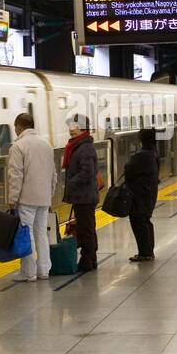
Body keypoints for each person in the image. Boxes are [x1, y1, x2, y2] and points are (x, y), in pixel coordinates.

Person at [6, 112, 57, 282]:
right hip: (44, 198)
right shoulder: (46, 145)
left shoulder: (18, 146)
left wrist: (12, 199)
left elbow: (16, 176)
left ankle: (28, 272)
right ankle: (44, 270)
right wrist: (50, 195)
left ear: (19, 126)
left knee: (26, 235)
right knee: (41, 234)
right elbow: (53, 174)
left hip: (26, 199)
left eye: (15, 127)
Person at [62, 115, 99, 272]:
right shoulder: (78, 145)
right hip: (82, 195)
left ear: (82, 128)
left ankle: (87, 259)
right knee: (86, 227)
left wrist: (71, 182)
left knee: (86, 229)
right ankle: (90, 258)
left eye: (74, 126)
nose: (71, 130)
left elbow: (88, 171)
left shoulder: (85, 147)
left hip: (85, 196)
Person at [124, 128, 160, 262]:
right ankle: (149, 251)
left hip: (140, 195)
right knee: (146, 221)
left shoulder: (142, 155)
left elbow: (129, 171)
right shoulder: (154, 153)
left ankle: (145, 253)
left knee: (139, 223)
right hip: (150, 193)